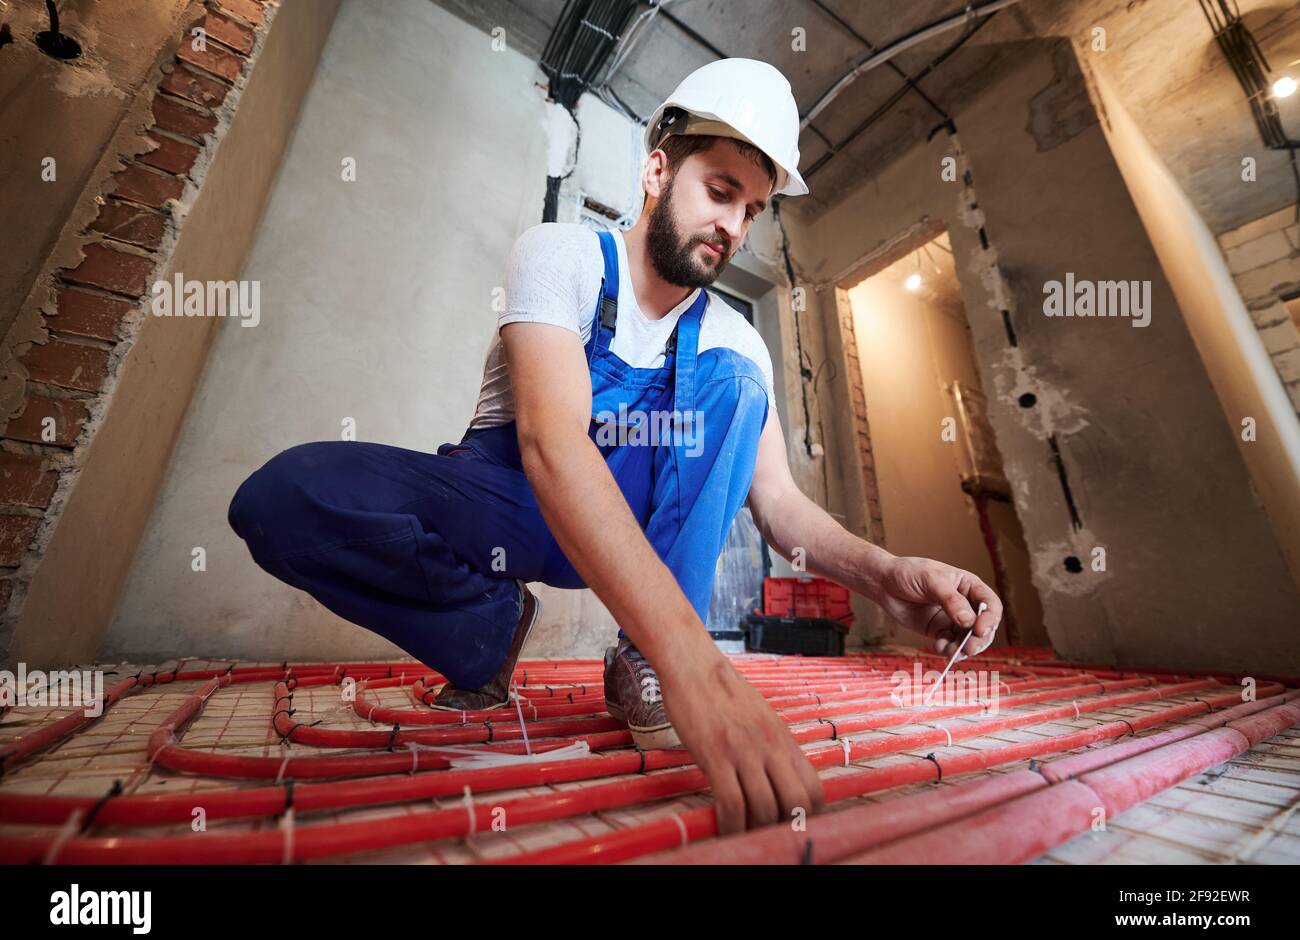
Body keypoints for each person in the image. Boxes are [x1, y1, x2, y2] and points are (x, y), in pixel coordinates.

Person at [227, 58, 1003, 834]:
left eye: (754, 210)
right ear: (657, 173)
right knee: (284, 498)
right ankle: (487, 628)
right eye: (721, 192)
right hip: (511, 501)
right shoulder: (561, 255)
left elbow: (778, 505)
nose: (734, 227)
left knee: (735, 382)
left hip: (636, 523)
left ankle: (643, 657)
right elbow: (549, 442)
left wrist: (886, 574)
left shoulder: (735, 345)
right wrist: (696, 661)